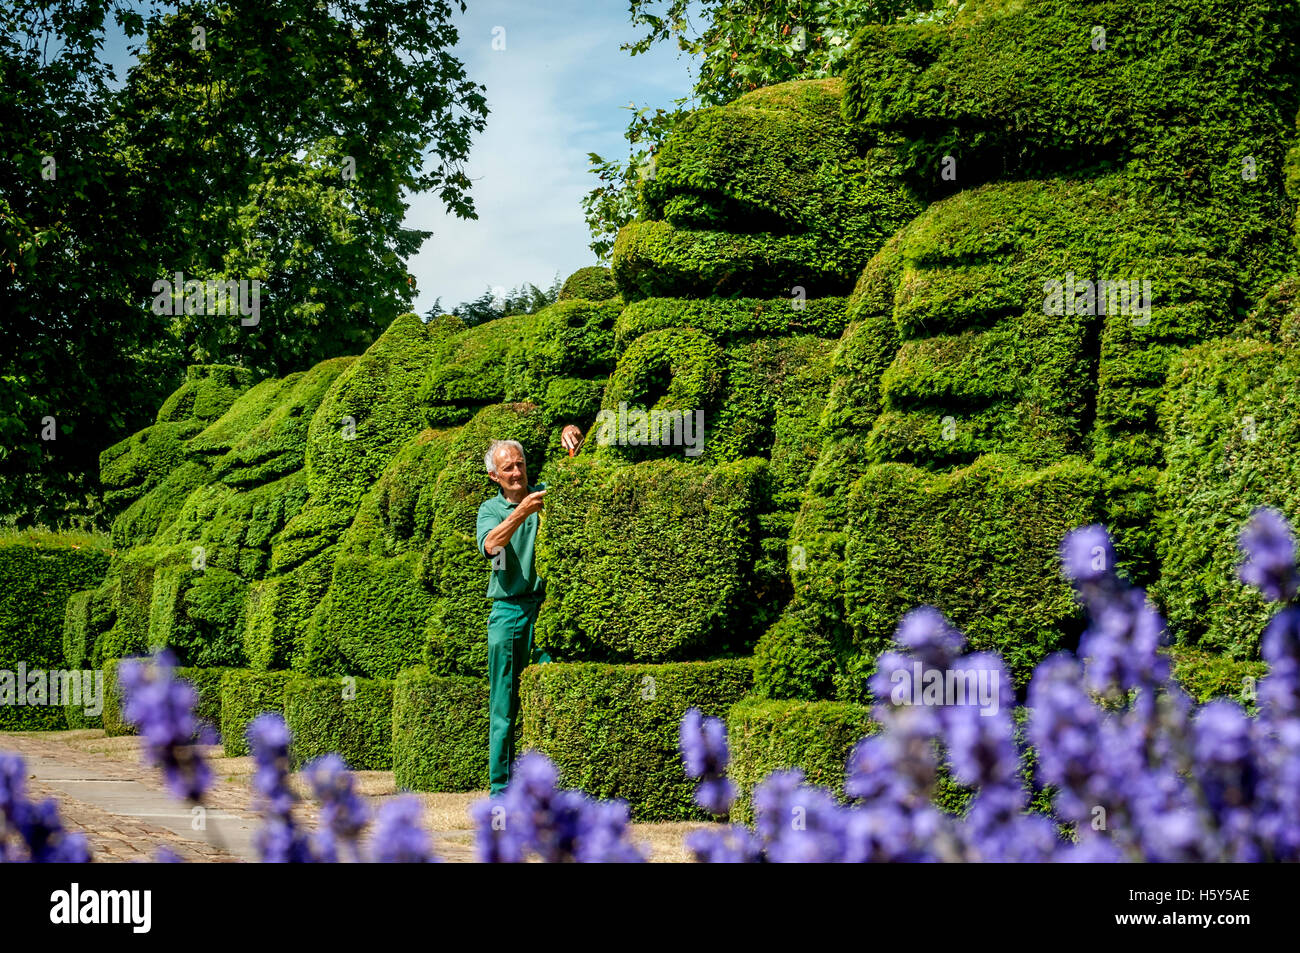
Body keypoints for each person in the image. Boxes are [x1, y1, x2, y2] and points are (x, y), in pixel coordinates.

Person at [476, 425, 583, 795]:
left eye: (520, 465)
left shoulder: (542, 496)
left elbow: (576, 480)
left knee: (555, 692)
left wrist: (574, 439)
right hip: (508, 613)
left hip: (547, 610)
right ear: (494, 476)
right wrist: (521, 512)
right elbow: (491, 545)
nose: (517, 473)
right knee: (504, 709)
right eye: (508, 469)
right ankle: (500, 792)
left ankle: (553, 788)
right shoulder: (491, 509)